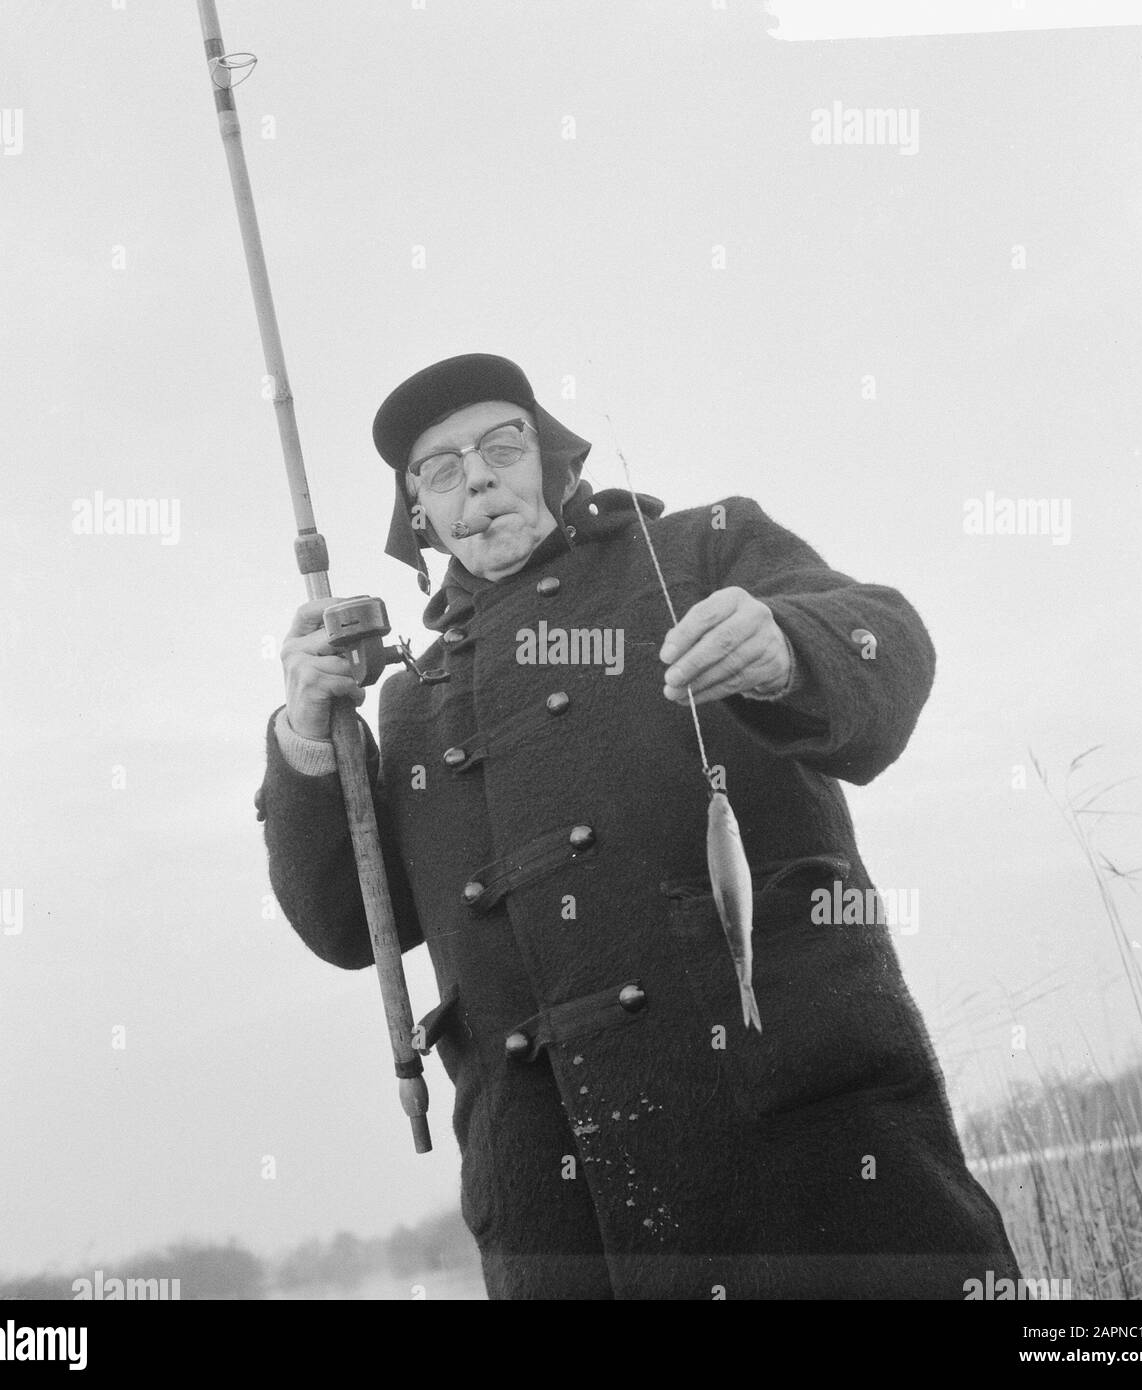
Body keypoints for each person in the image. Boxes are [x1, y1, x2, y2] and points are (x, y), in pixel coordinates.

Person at [255, 353, 1021, 1300]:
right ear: (420, 516)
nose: (478, 478)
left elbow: (887, 649)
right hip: (561, 1232)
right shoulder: (408, 706)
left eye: (502, 446)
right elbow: (343, 923)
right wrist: (307, 737)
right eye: (441, 470)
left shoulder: (702, 547)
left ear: (556, 460)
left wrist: (786, 647)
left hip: (810, 1179)